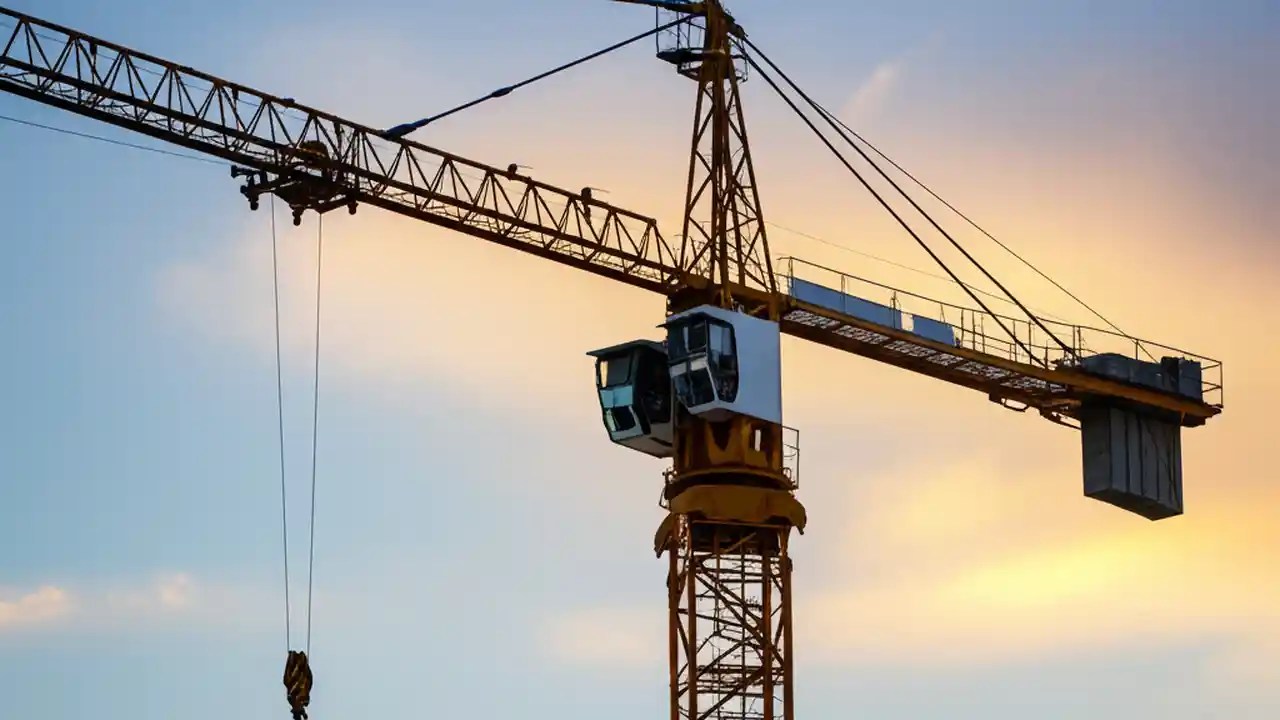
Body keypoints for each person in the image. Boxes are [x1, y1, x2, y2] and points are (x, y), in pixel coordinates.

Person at [283, 650, 313, 720]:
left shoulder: (294, 702)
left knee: (290, 679)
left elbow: (291, 692)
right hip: (301, 683)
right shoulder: (299, 703)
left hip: (297, 683)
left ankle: (295, 660)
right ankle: (297, 660)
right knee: (304, 679)